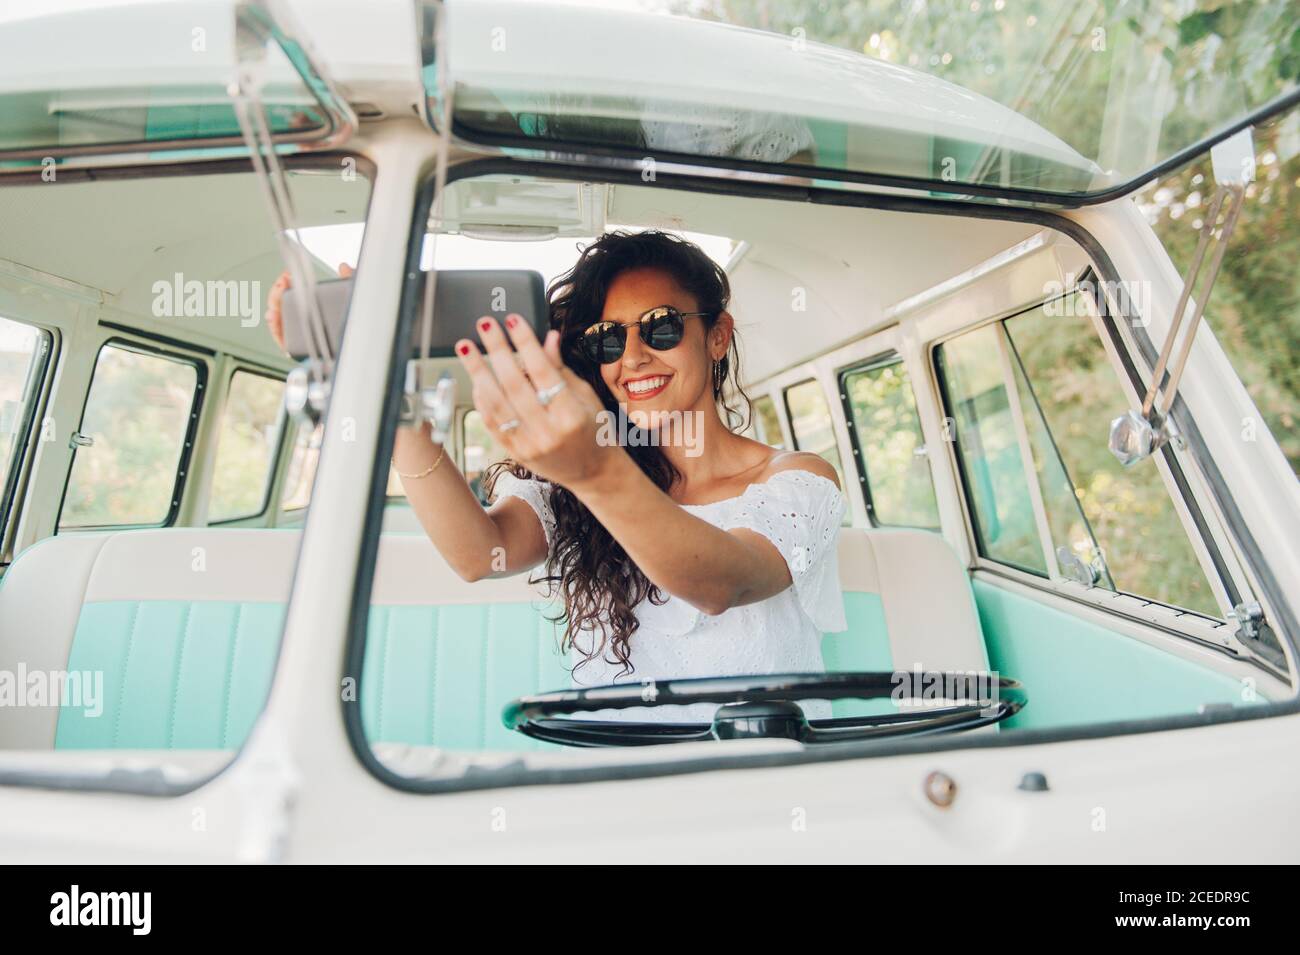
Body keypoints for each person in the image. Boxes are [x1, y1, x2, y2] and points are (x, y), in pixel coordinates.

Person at [267, 230, 847, 722]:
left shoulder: (797, 481)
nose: (634, 356)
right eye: (608, 340)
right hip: (618, 785)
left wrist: (596, 471)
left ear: (717, 335)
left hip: (764, 786)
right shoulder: (573, 483)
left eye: (662, 327)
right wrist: (378, 379)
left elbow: (724, 582)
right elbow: (478, 554)